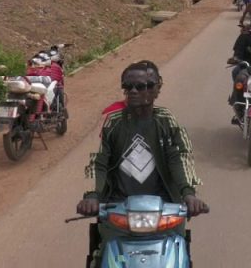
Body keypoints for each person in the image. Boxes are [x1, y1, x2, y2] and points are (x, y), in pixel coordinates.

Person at [77, 61, 206, 264]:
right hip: (118, 211)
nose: (134, 91)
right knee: (101, 258)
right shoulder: (112, 122)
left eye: (143, 86)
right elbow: (97, 161)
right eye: (128, 86)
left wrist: (188, 194)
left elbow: (180, 157)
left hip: (164, 211)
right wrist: (92, 196)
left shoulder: (167, 121)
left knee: (181, 258)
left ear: (156, 89)